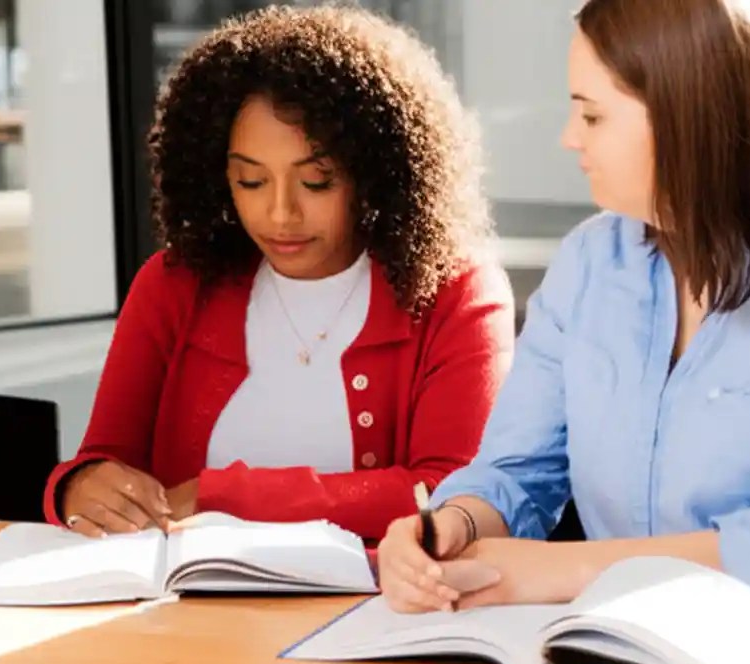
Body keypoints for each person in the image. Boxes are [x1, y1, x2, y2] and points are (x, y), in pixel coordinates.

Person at [378, 0, 750, 611]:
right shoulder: (590, 261)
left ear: (689, 117)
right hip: (611, 654)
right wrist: (450, 529)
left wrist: (565, 571)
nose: (570, 137)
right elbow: (515, 471)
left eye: (593, 115)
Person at [44, 6, 514, 541]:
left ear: (376, 173)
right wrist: (79, 486)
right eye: (250, 182)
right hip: (183, 612)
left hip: (380, 613)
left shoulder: (456, 291)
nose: (280, 214)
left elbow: (448, 493)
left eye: (316, 182)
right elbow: (103, 461)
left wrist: (224, 495)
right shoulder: (173, 284)